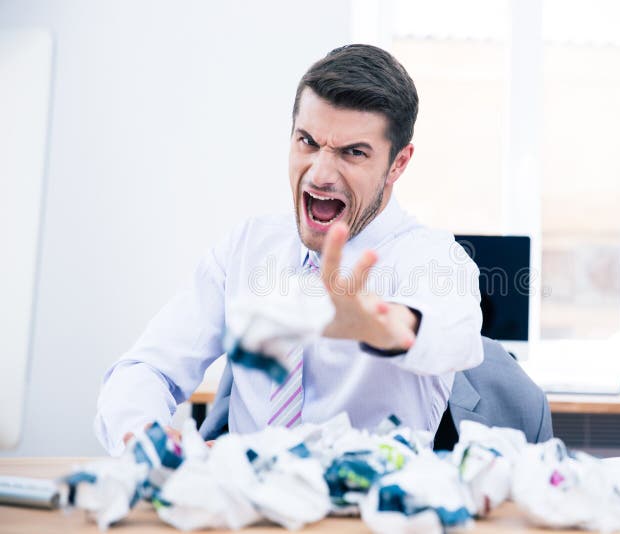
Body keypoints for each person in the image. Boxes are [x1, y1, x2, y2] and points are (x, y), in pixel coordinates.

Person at [95, 44, 484, 455]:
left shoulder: (434, 257)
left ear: (398, 163)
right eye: (308, 142)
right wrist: (142, 434)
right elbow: (148, 367)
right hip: (244, 505)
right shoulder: (249, 246)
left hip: (362, 508)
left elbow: (455, 336)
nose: (320, 173)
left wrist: (387, 329)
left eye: (353, 152)